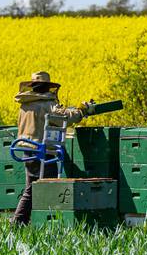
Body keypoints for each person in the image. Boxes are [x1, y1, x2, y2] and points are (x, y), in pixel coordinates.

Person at [10, 71, 93, 225]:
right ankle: (24, 221)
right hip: (43, 151)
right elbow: (65, 118)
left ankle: (21, 221)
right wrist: (81, 110)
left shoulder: (25, 104)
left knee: (31, 188)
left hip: (28, 150)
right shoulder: (47, 104)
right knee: (48, 188)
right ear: (47, 87)